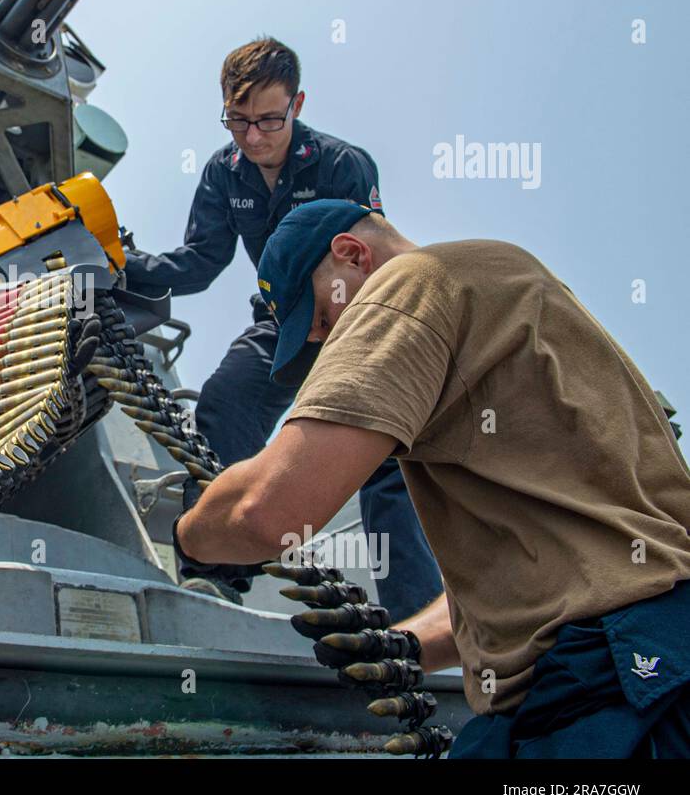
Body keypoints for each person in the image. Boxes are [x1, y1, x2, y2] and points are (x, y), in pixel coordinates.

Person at [177, 199, 690, 757]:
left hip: (606, 684)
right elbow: (558, 569)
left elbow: (267, 513)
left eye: (322, 318)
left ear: (352, 256)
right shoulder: (518, 291)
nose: (328, 341)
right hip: (636, 666)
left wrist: (189, 535)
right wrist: (401, 646)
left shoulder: (409, 284)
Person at [123, 38, 440, 615]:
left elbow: (369, 260)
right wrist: (122, 266)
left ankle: (415, 620)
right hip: (278, 321)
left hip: (353, 322)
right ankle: (215, 576)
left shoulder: (343, 164)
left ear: (297, 104)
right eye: (237, 121)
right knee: (224, 401)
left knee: (380, 457)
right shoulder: (224, 173)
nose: (252, 137)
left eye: (269, 119)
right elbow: (199, 262)